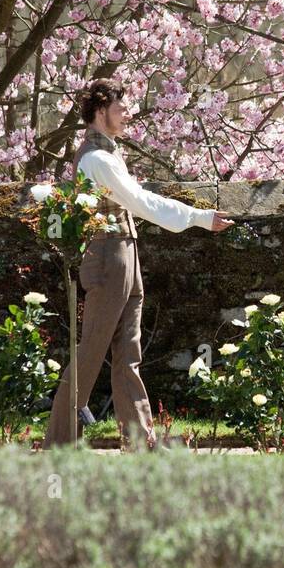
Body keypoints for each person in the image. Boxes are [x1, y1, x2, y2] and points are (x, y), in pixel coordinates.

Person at [46, 78, 235, 447]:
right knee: (92, 348)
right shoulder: (97, 158)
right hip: (107, 255)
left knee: (128, 353)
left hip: (125, 252)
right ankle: (60, 441)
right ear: (101, 112)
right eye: (121, 108)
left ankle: (140, 442)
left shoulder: (109, 154)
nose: (128, 114)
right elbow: (140, 201)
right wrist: (198, 217)